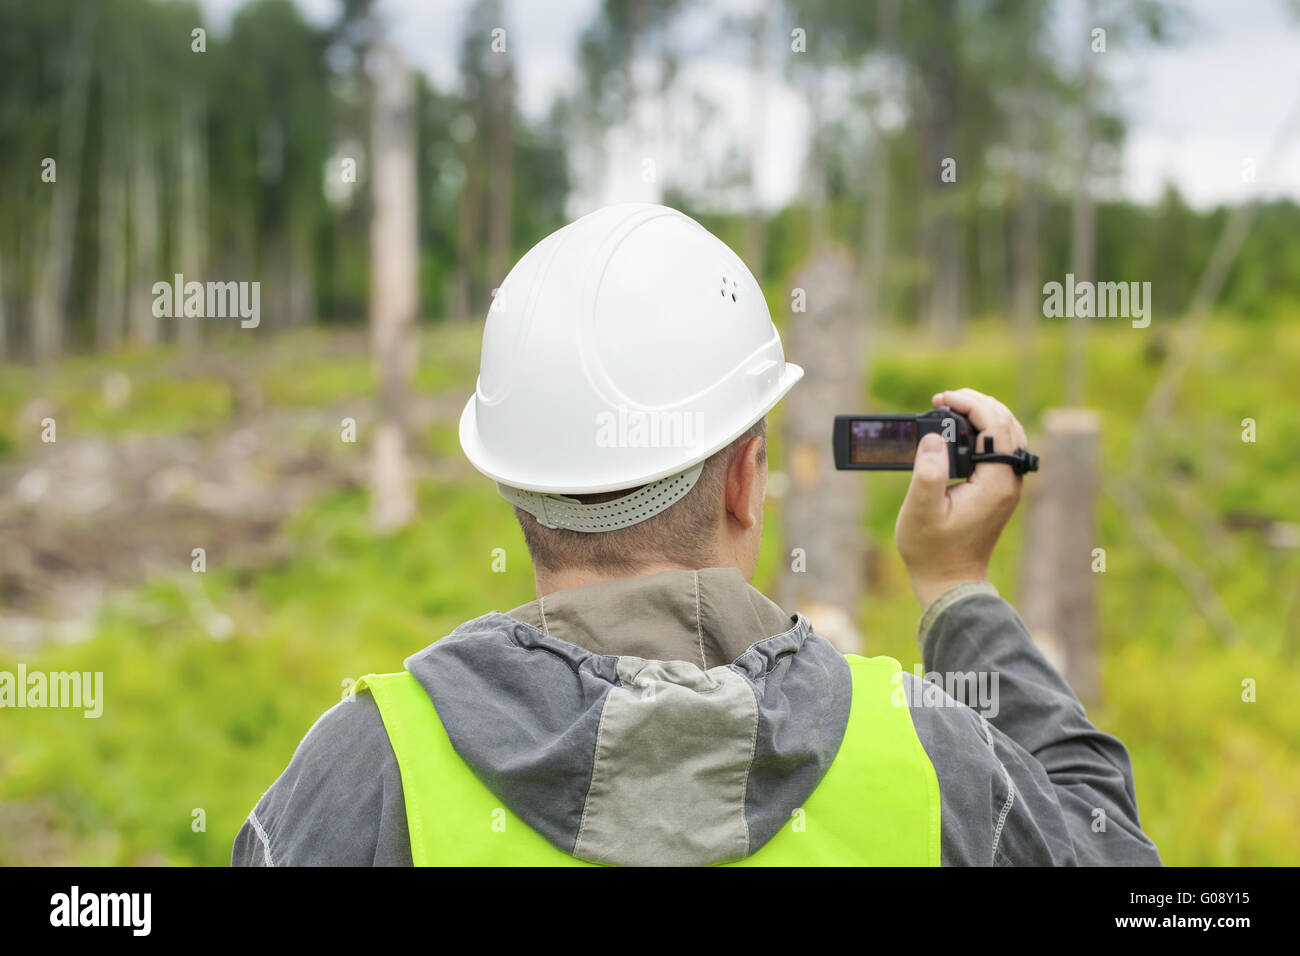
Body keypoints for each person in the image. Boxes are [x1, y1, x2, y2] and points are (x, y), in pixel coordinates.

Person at [232, 203, 1160, 866]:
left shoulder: (366, 771)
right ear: (748, 481)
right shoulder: (932, 760)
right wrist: (959, 590)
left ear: (516, 483)